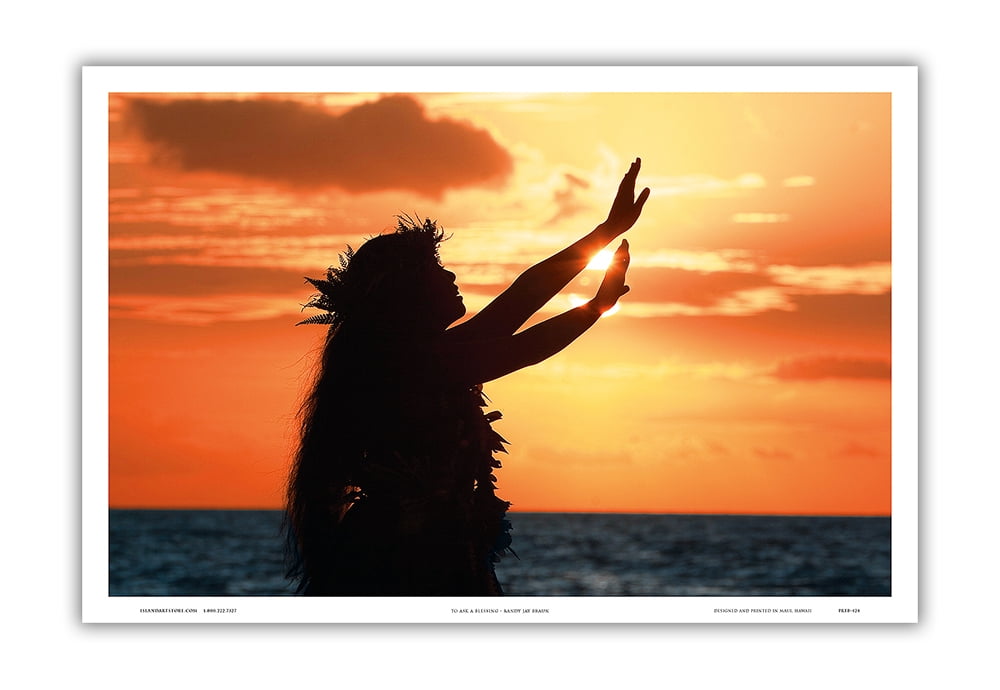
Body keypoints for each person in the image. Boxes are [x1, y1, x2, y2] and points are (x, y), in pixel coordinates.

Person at [285, 158, 650, 595]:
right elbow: (524, 347)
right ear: (408, 297)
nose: (451, 274)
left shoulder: (420, 355)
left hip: (421, 546)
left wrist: (606, 231)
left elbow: (521, 298)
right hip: (408, 558)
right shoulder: (412, 365)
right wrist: (595, 306)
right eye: (435, 270)